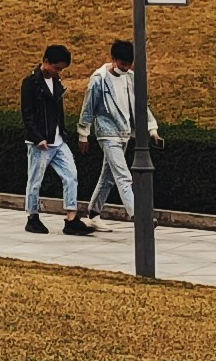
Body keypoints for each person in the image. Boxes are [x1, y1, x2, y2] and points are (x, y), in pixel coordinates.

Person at [20, 43, 94, 237]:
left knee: (71, 175)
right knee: (35, 180)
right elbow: (27, 114)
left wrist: (62, 132)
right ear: (45, 62)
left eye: (61, 69)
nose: (58, 71)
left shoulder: (56, 82)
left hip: (58, 139)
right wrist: (38, 138)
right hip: (41, 142)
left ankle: (71, 218)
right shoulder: (30, 83)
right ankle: (32, 216)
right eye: (56, 67)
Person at [81, 37, 147, 220]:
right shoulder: (99, 80)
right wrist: (83, 134)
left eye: (129, 64)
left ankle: (93, 212)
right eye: (123, 63)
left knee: (108, 176)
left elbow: (140, 105)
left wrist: (152, 128)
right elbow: (88, 107)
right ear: (114, 59)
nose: (126, 67)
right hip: (107, 133)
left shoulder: (130, 78)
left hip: (123, 132)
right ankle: (138, 215)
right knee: (123, 175)